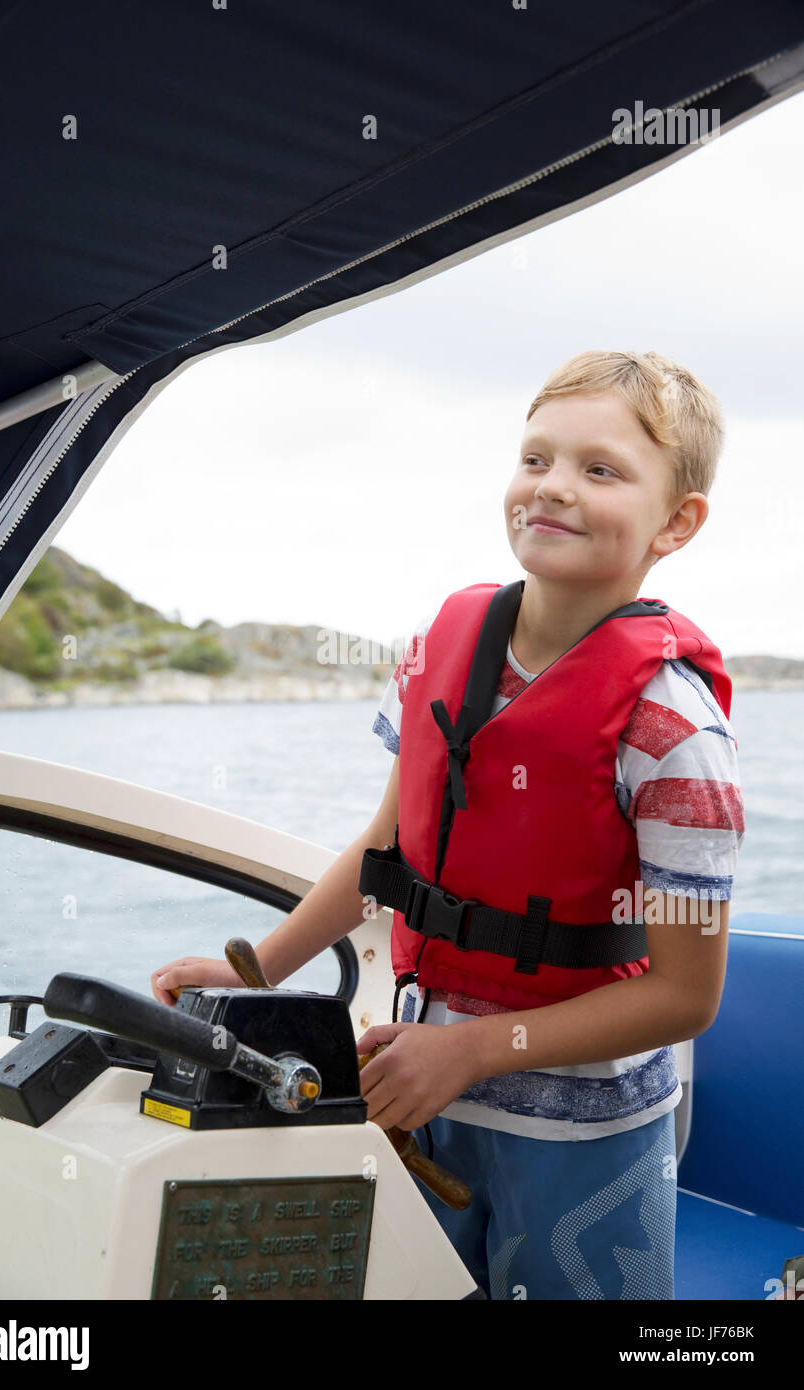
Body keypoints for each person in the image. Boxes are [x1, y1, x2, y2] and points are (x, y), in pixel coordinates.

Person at [150, 348, 745, 1301]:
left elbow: (685, 997)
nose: (551, 489)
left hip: (584, 1137)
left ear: (677, 521)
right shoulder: (441, 652)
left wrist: (469, 1050)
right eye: (536, 458)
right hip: (418, 1091)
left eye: (600, 470)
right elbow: (389, 853)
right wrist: (255, 969)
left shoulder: (673, 730)